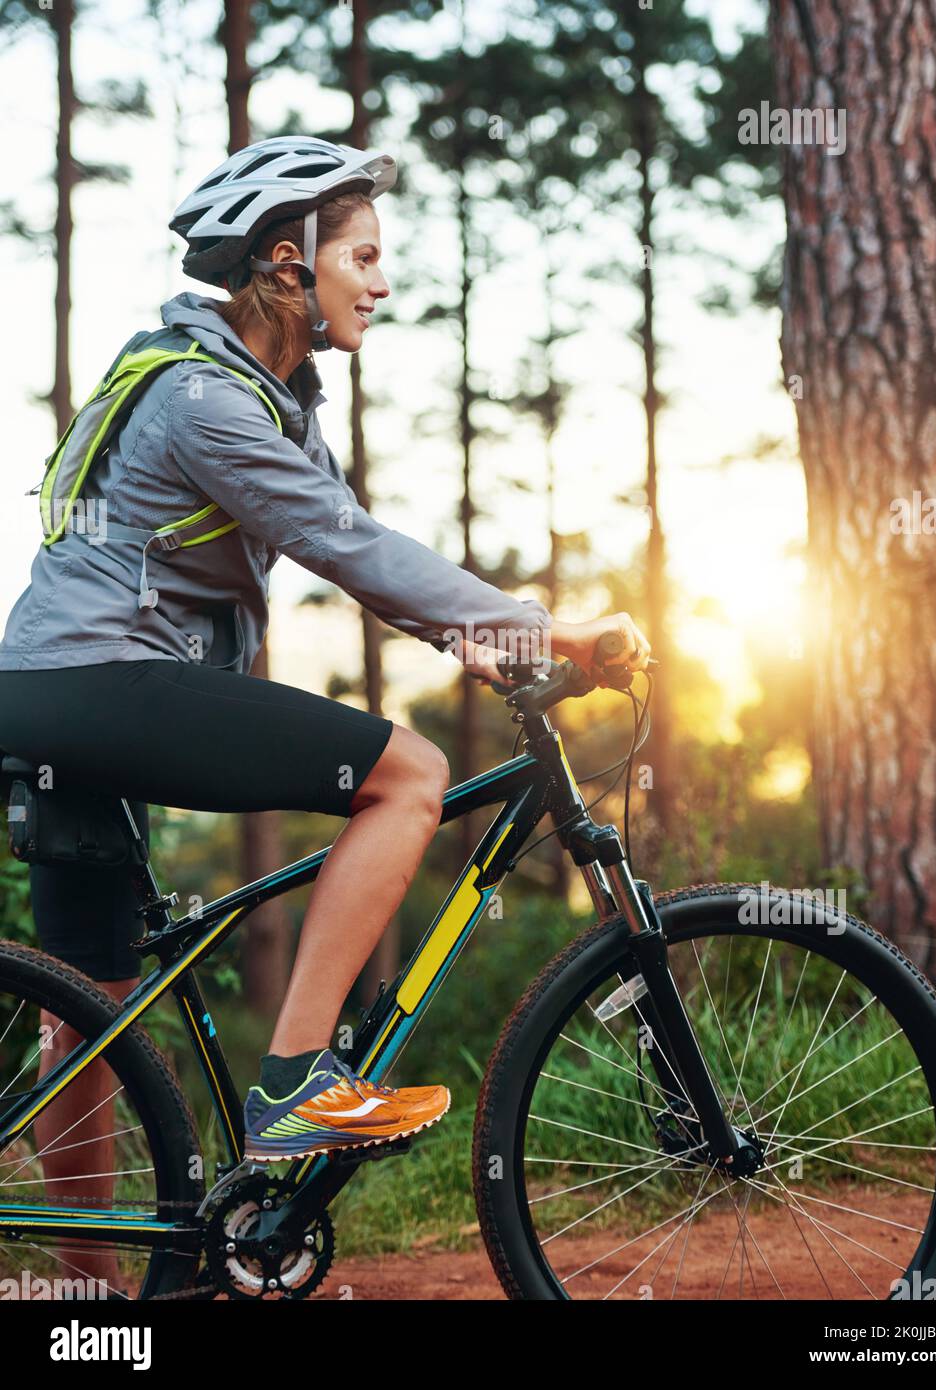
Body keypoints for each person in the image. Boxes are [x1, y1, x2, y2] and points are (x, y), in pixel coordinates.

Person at [0, 136, 651, 1167]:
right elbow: (355, 550)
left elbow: (358, 546)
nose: (383, 285)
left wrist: (480, 643)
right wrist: (544, 622)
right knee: (408, 775)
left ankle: (109, 1299)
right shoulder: (204, 401)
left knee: (88, 1025)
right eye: (363, 258)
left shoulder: (256, 393)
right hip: (105, 678)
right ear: (284, 262)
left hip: (54, 693)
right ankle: (297, 1082)